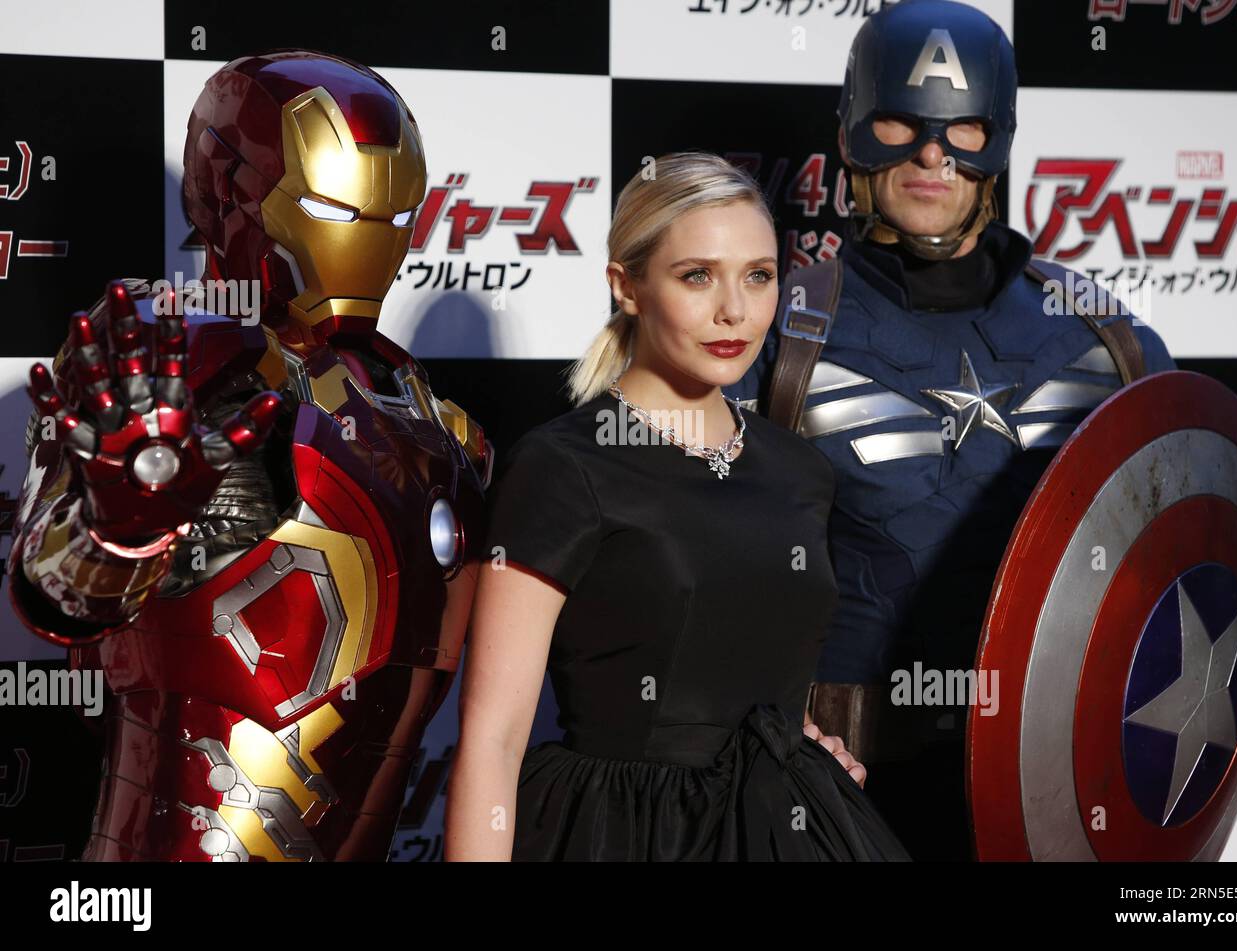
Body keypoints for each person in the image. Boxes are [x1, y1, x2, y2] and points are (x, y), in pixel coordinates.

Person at [8, 51, 490, 861]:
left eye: (393, 216)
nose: (366, 241)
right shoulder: (179, 359)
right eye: (328, 206)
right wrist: (122, 529)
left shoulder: (439, 426)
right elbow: (55, 593)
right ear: (234, 195)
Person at [728, 0, 1176, 860]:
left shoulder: (1102, 336)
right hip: (842, 795)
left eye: (963, 129)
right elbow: (697, 566)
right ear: (854, 135)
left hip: (1060, 787)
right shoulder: (779, 328)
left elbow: (1181, 544)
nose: (931, 155)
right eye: (900, 123)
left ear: (999, 140)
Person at [445, 152, 909, 861]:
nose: (735, 309)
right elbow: (493, 737)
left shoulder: (801, 472)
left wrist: (805, 750)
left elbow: (764, 678)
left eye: (758, 275)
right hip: (626, 834)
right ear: (626, 285)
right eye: (697, 276)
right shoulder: (564, 466)